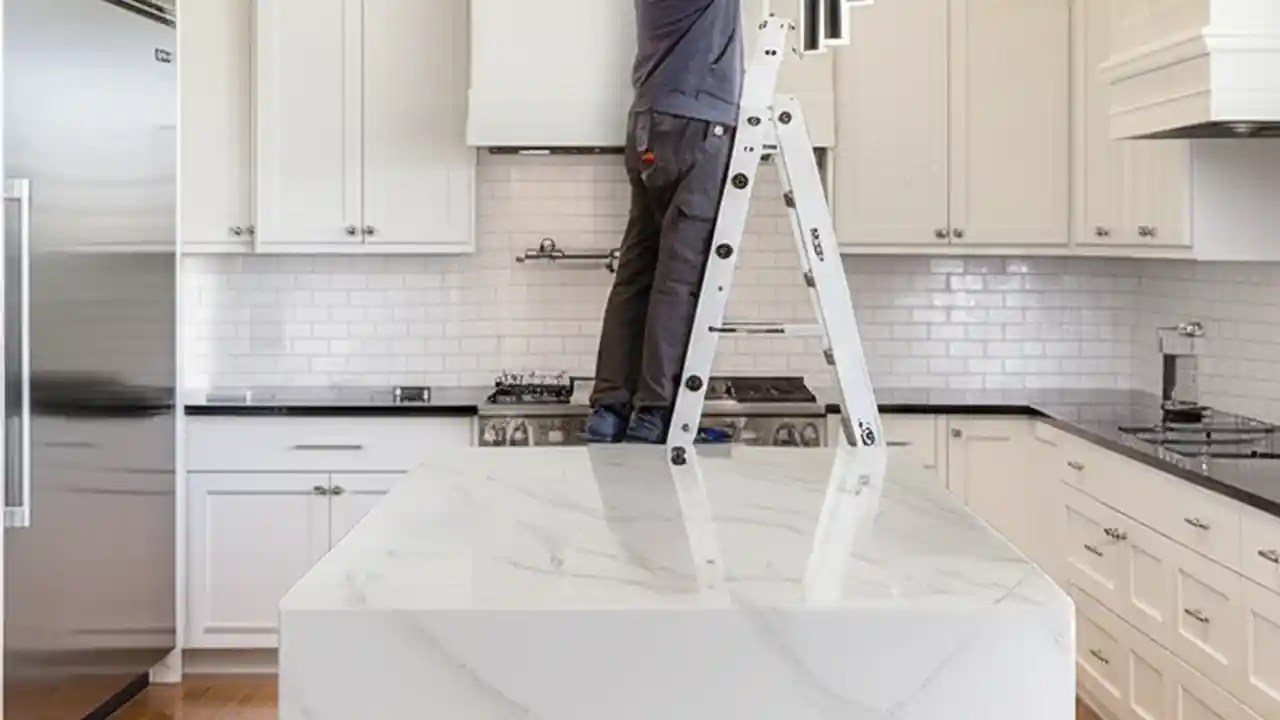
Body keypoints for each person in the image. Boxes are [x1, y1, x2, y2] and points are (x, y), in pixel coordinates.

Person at [585, 0, 744, 443]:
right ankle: (656, 413)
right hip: (697, 123)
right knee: (679, 276)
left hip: (647, 122)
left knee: (636, 272)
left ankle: (609, 408)